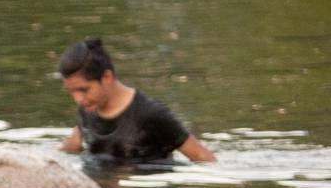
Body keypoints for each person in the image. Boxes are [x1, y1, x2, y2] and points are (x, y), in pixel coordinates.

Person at [56, 37, 215, 164]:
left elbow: (204, 158)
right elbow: (70, 148)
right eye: (72, 91)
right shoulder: (87, 109)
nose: (78, 99)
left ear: (106, 77)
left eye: (83, 90)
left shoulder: (152, 114)